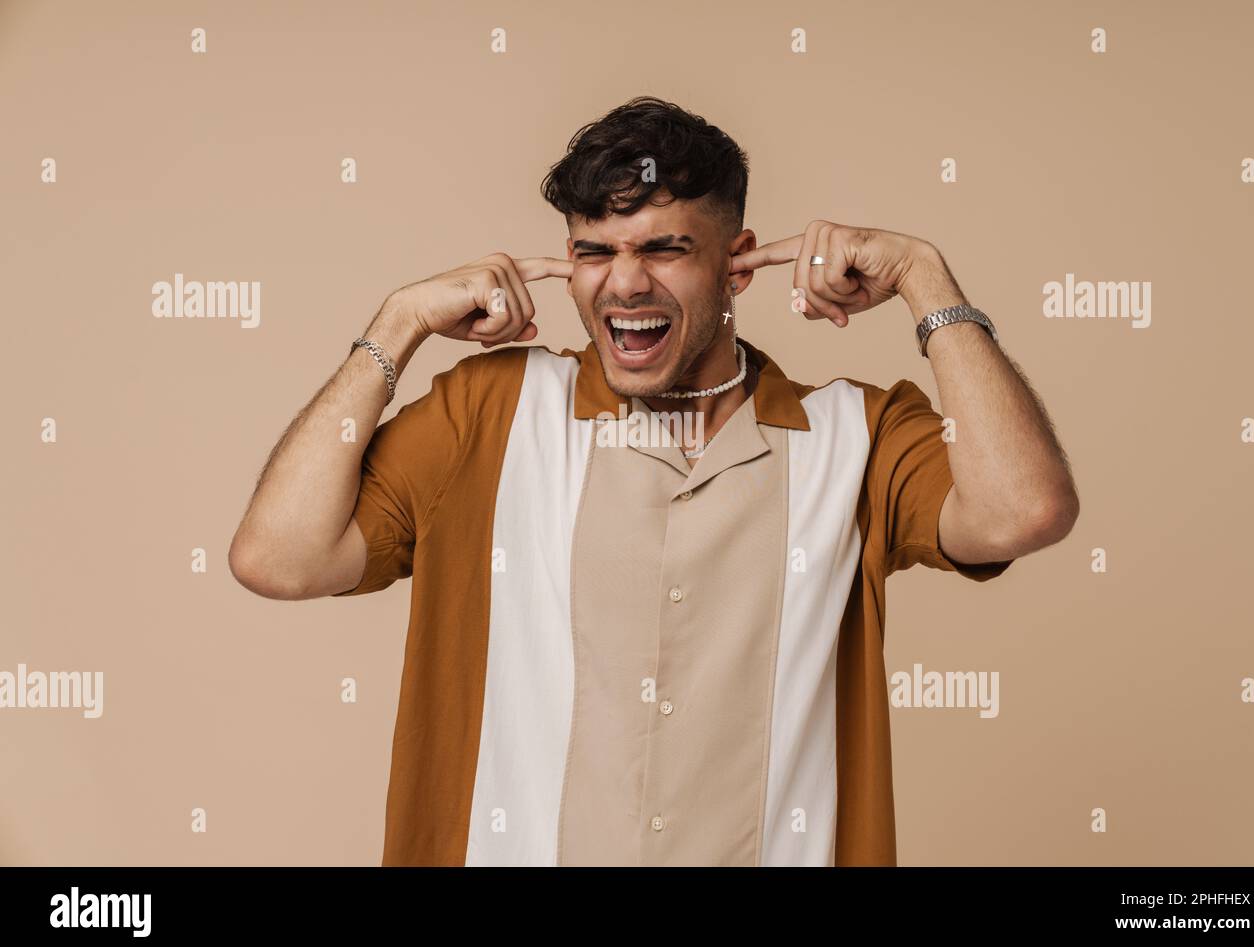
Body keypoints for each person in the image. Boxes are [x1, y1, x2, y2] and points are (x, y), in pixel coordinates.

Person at [228, 96, 1078, 866]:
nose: (625, 281)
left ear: (737, 263)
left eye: (665, 248)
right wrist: (397, 323)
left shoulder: (856, 436)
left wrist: (925, 276)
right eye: (595, 251)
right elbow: (279, 556)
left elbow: (1023, 508)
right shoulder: (489, 412)